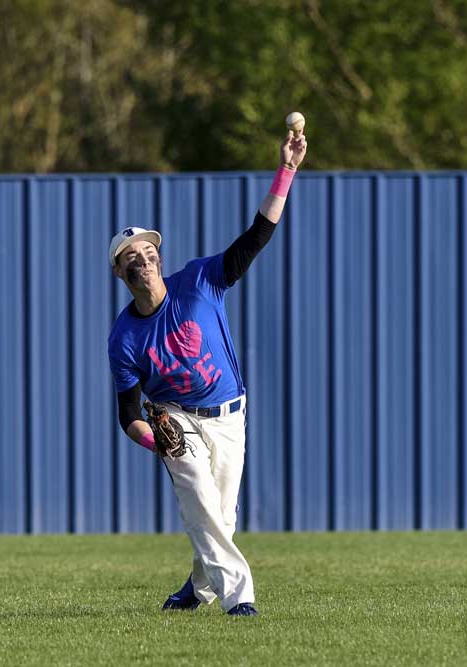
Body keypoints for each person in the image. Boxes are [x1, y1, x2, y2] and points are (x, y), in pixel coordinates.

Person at [107, 124, 308, 616]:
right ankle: (241, 597)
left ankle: (196, 590)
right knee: (196, 488)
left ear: (159, 257)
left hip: (230, 413)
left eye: (149, 250)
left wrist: (285, 170)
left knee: (220, 515)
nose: (143, 257)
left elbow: (256, 237)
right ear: (121, 272)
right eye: (131, 255)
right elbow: (129, 413)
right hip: (177, 417)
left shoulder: (198, 279)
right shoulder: (124, 337)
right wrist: (158, 440)